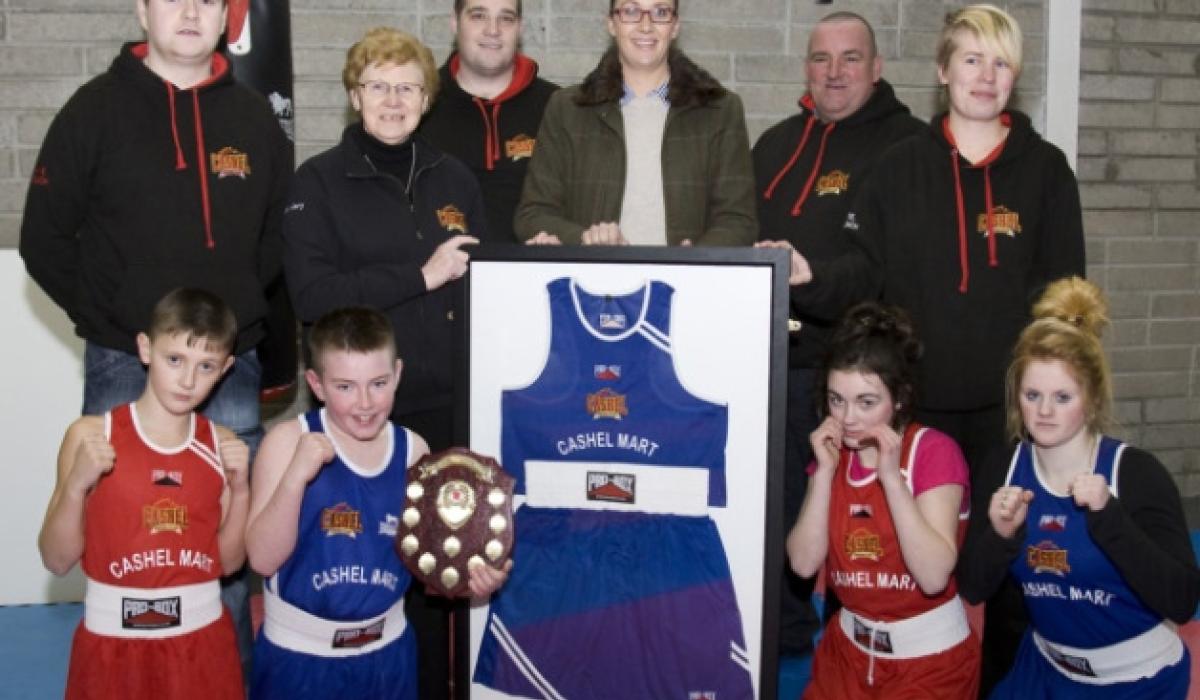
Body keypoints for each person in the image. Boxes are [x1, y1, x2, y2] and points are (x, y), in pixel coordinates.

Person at [18, 0, 292, 671]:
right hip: (124, 368)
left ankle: (228, 682)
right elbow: (44, 240)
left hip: (228, 371)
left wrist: (234, 328)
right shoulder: (93, 109)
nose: (191, 11)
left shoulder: (255, 119)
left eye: (208, 0)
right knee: (123, 539)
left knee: (223, 553)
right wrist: (114, 319)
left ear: (228, 17)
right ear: (143, 9)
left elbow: (274, 244)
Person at [781, 3, 1085, 474]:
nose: (986, 76)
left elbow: (1064, 295)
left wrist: (1052, 394)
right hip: (915, 404)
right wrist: (810, 275)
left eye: (1000, 62)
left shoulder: (1047, 170)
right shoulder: (898, 166)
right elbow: (863, 269)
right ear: (943, 70)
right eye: (971, 60)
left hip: (1012, 410)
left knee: (998, 542)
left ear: (1015, 75)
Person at [281, 27, 492, 698]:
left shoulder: (455, 177)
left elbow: (486, 284)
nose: (393, 100)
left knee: (438, 572)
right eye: (379, 86)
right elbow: (313, 296)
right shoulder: (316, 183)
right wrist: (420, 275)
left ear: (427, 99)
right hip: (360, 413)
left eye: (408, 87)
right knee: (356, 562)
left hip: (448, 404)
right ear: (353, 95)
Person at [752, 10, 925, 660]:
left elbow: (877, 266)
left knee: (858, 513)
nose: (834, 72)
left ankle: (850, 635)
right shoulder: (773, 144)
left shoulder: (904, 146)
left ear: (877, 68)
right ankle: (789, 633)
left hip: (852, 371)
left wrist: (810, 274)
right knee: (783, 502)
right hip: (772, 356)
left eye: (850, 58)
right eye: (821, 58)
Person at [245, 306, 509, 699]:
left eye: (379, 383)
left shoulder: (413, 450)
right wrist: (295, 477)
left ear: (398, 374)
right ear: (316, 385)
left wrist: (476, 576)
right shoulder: (286, 441)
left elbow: (429, 562)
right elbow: (263, 560)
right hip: (299, 659)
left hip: (387, 658)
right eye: (345, 386)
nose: (365, 402)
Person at [957, 277, 1200, 699]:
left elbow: (1182, 601)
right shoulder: (1006, 466)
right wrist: (998, 536)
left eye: (1063, 397)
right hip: (1045, 670)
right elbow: (973, 588)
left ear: (1092, 400)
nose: (1045, 411)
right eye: (1032, 395)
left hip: (1136, 682)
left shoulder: (1135, 473)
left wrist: (1109, 518)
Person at [38, 289, 251, 699]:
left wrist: (241, 491)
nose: (188, 380)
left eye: (205, 365)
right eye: (176, 360)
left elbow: (228, 563)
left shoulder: (220, 445)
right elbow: (57, 559)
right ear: (145, 348)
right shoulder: (90, 436)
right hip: (111, 647)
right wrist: (76, 486)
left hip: (201, 644)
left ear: (225, 369)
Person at [786, 302, 979, 698]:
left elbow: (932, 575)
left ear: (901, 398)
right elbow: (803, 564)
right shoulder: (831, 452)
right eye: (836, 399)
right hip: (849, 655)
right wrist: (823, 473)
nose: (848, 417)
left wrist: (891, 479)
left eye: (866, 402)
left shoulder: (931, 451)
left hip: (928, 664)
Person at [514, 0, 757, 246]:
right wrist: (586, 241)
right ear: (611, 23)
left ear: (674, 26)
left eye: (660, 13)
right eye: (631, 11)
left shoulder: (720, 110)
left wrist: (695, 259)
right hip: (595, 280)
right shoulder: (568, 109)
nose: (645, 25)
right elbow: (533, 215)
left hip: (688, 282)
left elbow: (739, 220)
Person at [419, 0, 558, 243]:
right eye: (478, 16)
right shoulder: (419, 104)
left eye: (506, 18)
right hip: (440, 276)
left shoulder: (556, 106)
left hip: (531, 275)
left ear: (520, 27)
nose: (492, 30)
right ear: (455, 22)